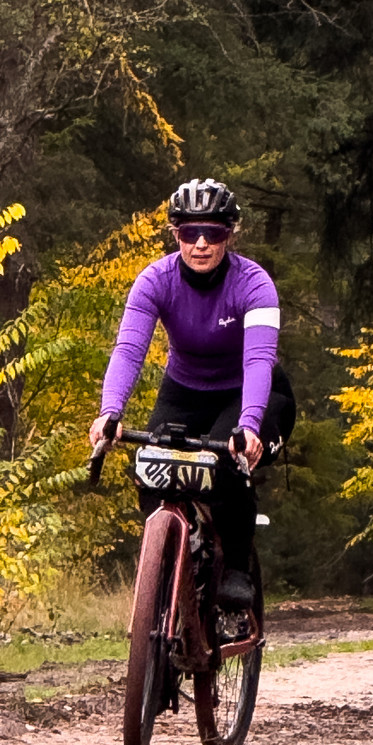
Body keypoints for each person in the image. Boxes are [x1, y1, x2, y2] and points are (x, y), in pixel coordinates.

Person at [90, 178, 293, 638]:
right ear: (175, 233)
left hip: (249, 390)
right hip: (184, 389)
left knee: (226, 465)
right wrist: (110, 412)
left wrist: (248, 425)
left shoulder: (254, 283)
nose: (201, 243)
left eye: (214, 233)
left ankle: (235, 574)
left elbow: (259, 358)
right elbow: (129, 350)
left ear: (230, 234)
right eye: (189, 232)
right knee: (150, 467)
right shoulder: (154, 281)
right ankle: (172, 566)